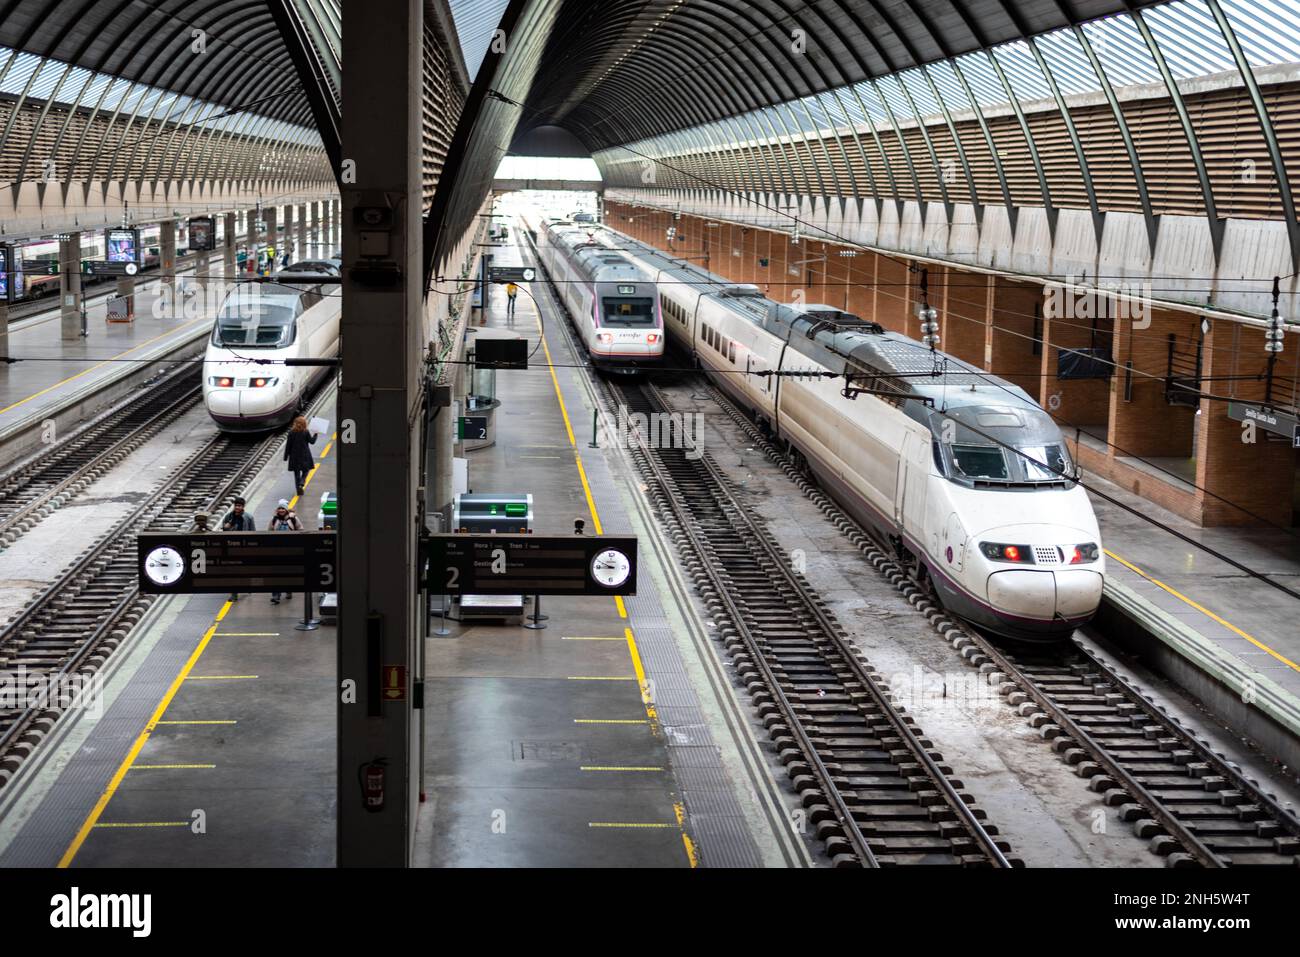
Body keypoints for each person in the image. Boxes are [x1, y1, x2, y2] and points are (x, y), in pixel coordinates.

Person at [219, 497, 256, 601]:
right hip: (232, 548)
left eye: (239, 506)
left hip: (244, 548)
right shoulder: (228, 517)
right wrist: (226, 527)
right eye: (236, 505)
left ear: (243, 507)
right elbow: (223, 532)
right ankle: (234, 594)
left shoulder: (249, 517)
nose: (237, 507)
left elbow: (253, 532)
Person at [267, 499, 302, 605]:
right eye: (279, 508)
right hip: (276, 551)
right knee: (275, 574)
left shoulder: (293, 519)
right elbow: (268, 533)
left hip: (290, 551)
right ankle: (276, 596)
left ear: (286, 510)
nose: (281, 510)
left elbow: (301, 530)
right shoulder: (274, 519)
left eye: (283, 508)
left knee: (288, 572)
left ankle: (288, 589)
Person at [285, 415, 318, 496]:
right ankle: (302, 482)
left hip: (294, 456)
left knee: (296, 474)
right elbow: (312, 442)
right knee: (306, 470)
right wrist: (315, 434)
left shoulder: (291, 433)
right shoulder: (305, 432)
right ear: (304, 424)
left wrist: (286, 457)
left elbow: (288, 446)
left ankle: (299, 491)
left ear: (295, 423)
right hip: (304, 456)